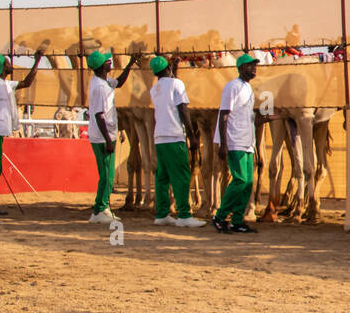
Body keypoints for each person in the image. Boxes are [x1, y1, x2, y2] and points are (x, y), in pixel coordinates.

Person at [0, 50, 46, 215]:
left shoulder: (6, 84)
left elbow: (27, 83)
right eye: (7, 62)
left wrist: (37, 62)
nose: (10, 64)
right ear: (2, 66)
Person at [149, 55, 205, 228]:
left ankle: (162, 213)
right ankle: (184, 214)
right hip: (174, 136)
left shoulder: (155, 88)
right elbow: (183, 109)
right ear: (168, 68)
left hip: (159, 137)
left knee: (162, 177)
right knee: (181, 175)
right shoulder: (177, 84)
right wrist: (192, 135)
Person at [86, 50, 138, 224]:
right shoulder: (100, 87)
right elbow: (99, 115)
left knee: (106, 174)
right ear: (101, 66)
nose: (110, 63)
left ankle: (103, 207)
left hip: (105, 135)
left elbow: (120, 82)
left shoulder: (104, 82)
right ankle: (99, 209)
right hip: (102, 137)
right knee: (107, 175)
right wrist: (108, 139)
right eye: (106, 61)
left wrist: (130, 64)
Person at [213, 53, 261, 234]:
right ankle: (220, 216)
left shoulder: (248, 88)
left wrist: (269, 117)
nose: (253, 69)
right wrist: (223, 144)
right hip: (234, 141)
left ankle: (237, 220)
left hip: (247, 142)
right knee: (240, 180)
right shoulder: (232, 87)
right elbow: (224, 114)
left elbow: (247, 116)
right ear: (240, 68)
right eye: (249, 66)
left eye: (255, 66)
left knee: (248, 183)